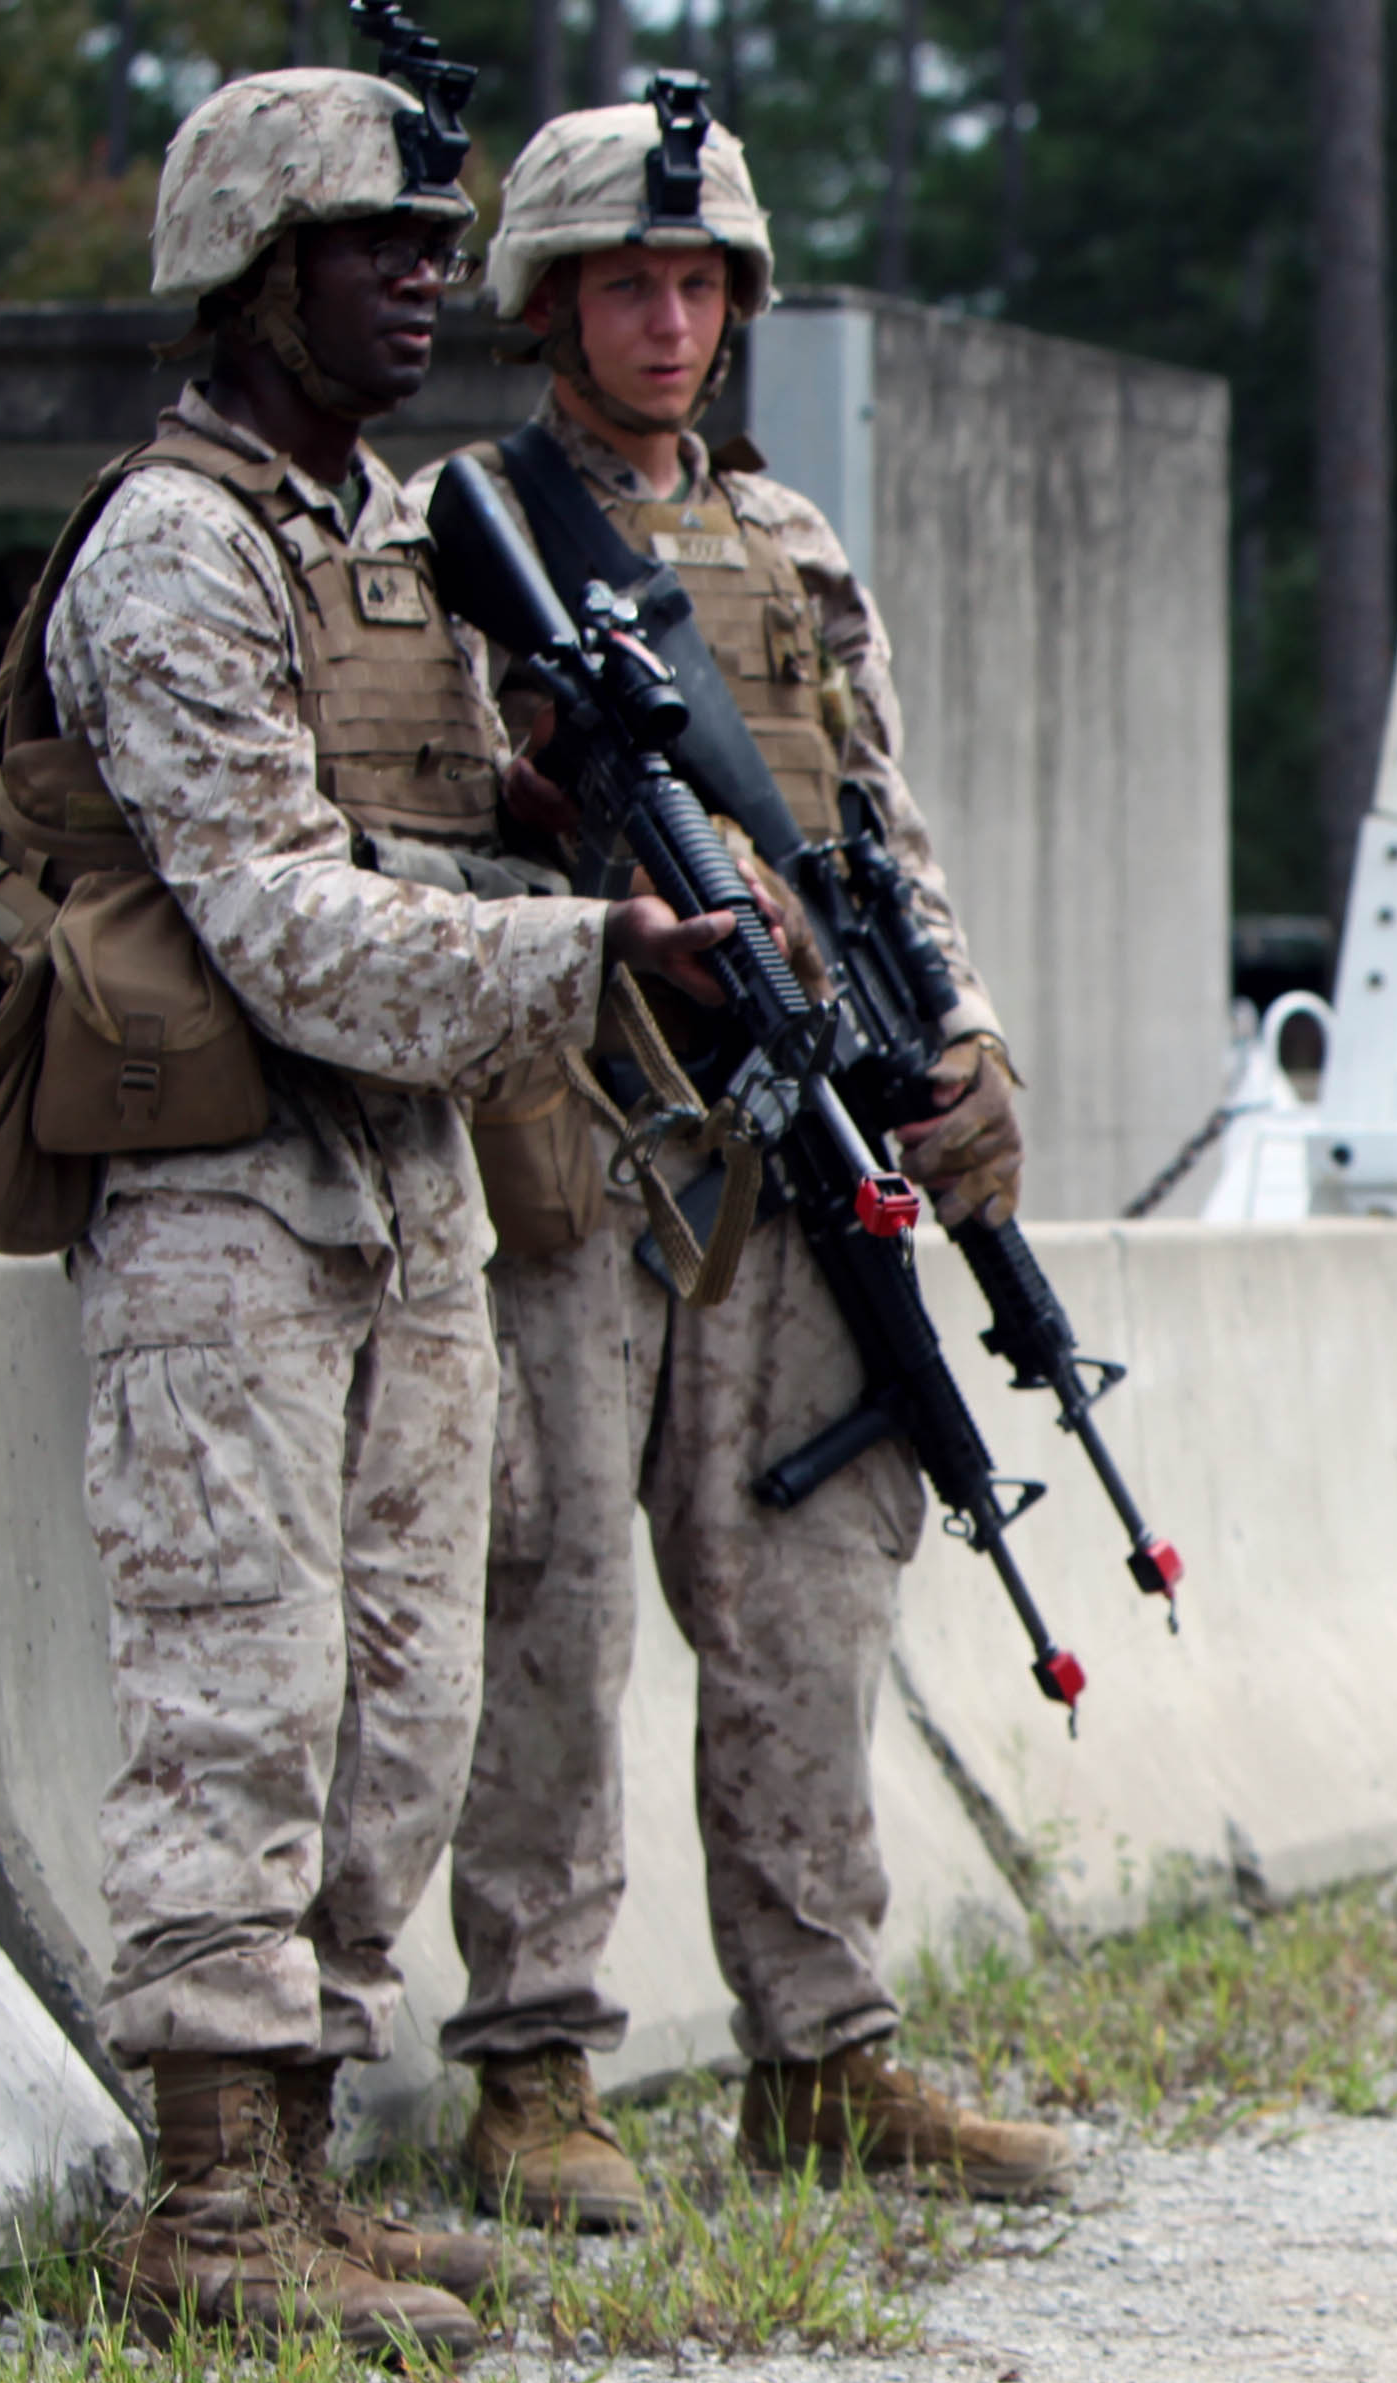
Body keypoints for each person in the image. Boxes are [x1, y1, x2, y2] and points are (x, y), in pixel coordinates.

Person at [67, 60, 744, 2346]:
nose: (425, 283)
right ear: (257, 269)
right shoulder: (172, 546)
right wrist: (577, 946)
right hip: (223, 1195)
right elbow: (268, 909)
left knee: (401, 1692)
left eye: (432, 244)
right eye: (380, 248)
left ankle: (318, 2155)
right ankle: (212, 2203)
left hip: (399, 1177)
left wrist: (564, 807)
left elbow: (415, 840)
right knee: (240, 1690)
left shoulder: (378, 533)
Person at [429, 89, 1070, 2233]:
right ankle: (534, 2065)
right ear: (550, 306)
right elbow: (423, 822)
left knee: (804, 1591)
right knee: (555, 1594)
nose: (671, 320)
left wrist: (957, 1036)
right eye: (629, 282)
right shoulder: (471, 541)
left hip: (791, 1140)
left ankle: (824, 2050)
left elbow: (878, 827)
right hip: (579, 1129)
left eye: (700, 284)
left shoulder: (787, 550)